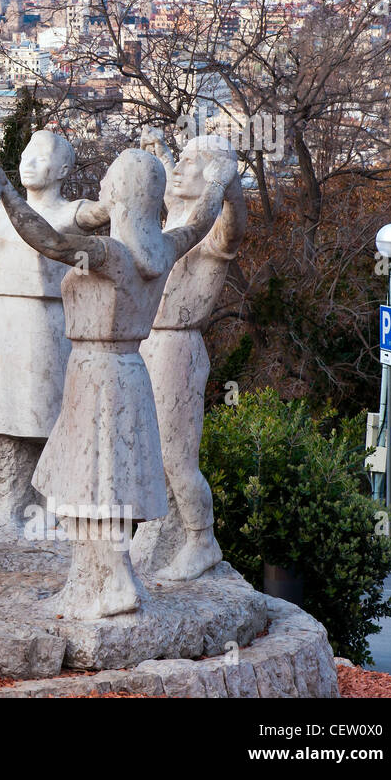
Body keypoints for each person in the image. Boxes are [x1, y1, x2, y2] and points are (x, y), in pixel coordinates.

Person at [0, 148, 236, 618]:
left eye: (108, 182)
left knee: (92, 483)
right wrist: (218, 185)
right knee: (107, 483)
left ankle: (110, 583)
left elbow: (49, 242)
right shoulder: (163, 248)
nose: (101, 187)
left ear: (120, 194)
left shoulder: (109, 255)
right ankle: (105, 578)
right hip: (130, 372)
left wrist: (7, 195)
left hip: (95, 373)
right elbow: (203, 220)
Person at [0, 113, 108, 537]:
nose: (28, 161)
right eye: (26, 153)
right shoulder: (3, 209)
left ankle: (54, 505)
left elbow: (108, 208)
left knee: (48, 424)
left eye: (41, 155)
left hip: (45, 321)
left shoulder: (70, 212)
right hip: (2, 318)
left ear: (64, 170)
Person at [132, 135, 246, 580]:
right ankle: (159, 531)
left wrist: (227, 185)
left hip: (178, 345)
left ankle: (202, 539)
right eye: (178, 161)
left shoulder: (213, 228)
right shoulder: (178, 216)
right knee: (151, 450)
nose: (179, 169)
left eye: (190, 163)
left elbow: (234, 224)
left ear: (213, 176)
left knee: (178, 457)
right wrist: (162, 153)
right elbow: (169, 192)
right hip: (148, 341)